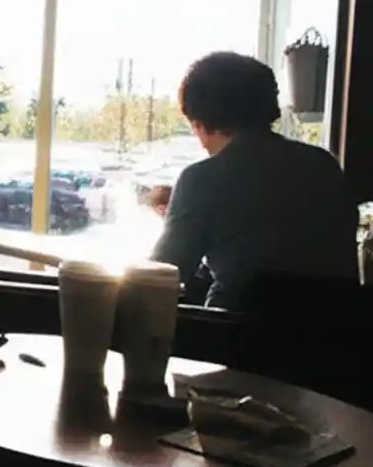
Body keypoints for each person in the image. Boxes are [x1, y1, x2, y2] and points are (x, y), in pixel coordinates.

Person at [150, 52, 356, 309]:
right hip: (335, 335)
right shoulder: (324, 164)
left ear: (198, 123)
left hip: (238, 336)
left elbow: (159, 275)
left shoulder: (202, 178)